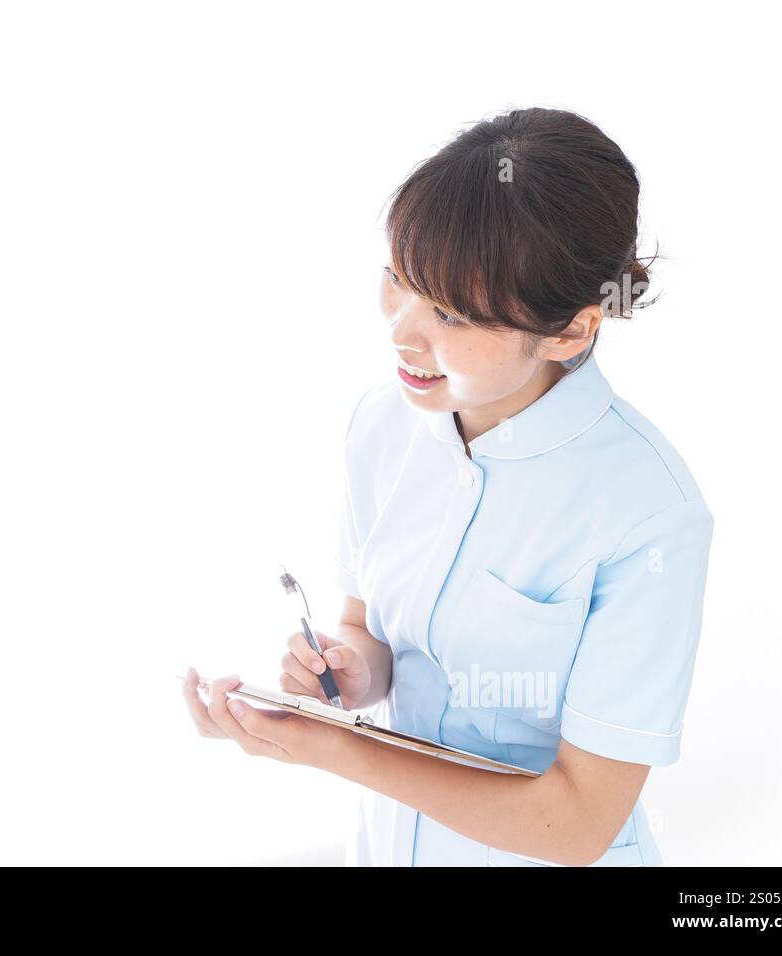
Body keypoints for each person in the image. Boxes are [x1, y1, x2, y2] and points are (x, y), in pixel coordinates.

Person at [181, 107, 715, 867]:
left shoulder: (649, 513)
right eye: (399, 278)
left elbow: (580, 822)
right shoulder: (383, 423)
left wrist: (334, 750)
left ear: (570, 331)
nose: (403, 330)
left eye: (452, 312)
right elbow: (372, 631)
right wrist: (350, 670)